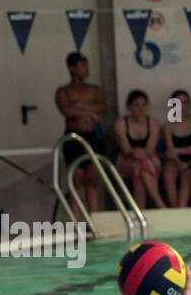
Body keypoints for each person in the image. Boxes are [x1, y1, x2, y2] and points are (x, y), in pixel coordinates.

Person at [55, 52, 107, 215]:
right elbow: (66, 110)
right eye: (83, 66)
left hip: (93, 137)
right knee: (76, 178)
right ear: (72, 68)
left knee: (92, 178)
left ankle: (95, 220)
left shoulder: (95, 90)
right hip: (74, 138)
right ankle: (75, 222)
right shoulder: (63, 91)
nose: (86, 69)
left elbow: (104, 107)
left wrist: (80, 106)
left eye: (87, 65)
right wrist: (90, 109)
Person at [114, 90, 166, 210]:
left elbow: (150, 150)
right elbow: (126, 150)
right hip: (126, 161)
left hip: (149, 160)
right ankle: (159, 203)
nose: (140, 109)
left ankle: (140, 211)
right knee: (140, 166)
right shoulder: (121, 124)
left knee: (141, 166)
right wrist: (135, 152)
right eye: (136, 105)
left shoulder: (153, 123)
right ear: (129, 106)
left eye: (143, 105)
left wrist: (140, 154)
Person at [162, 90, 191, 208]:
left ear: (189, 105)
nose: (182, 106)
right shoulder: (168, 125)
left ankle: (182, 208)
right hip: (175, 159)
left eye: (185, 102)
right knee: (168, 175)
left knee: (186, 177)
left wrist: (178, 152)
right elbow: (170, 150)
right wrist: (178, 162)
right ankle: (176, 210)